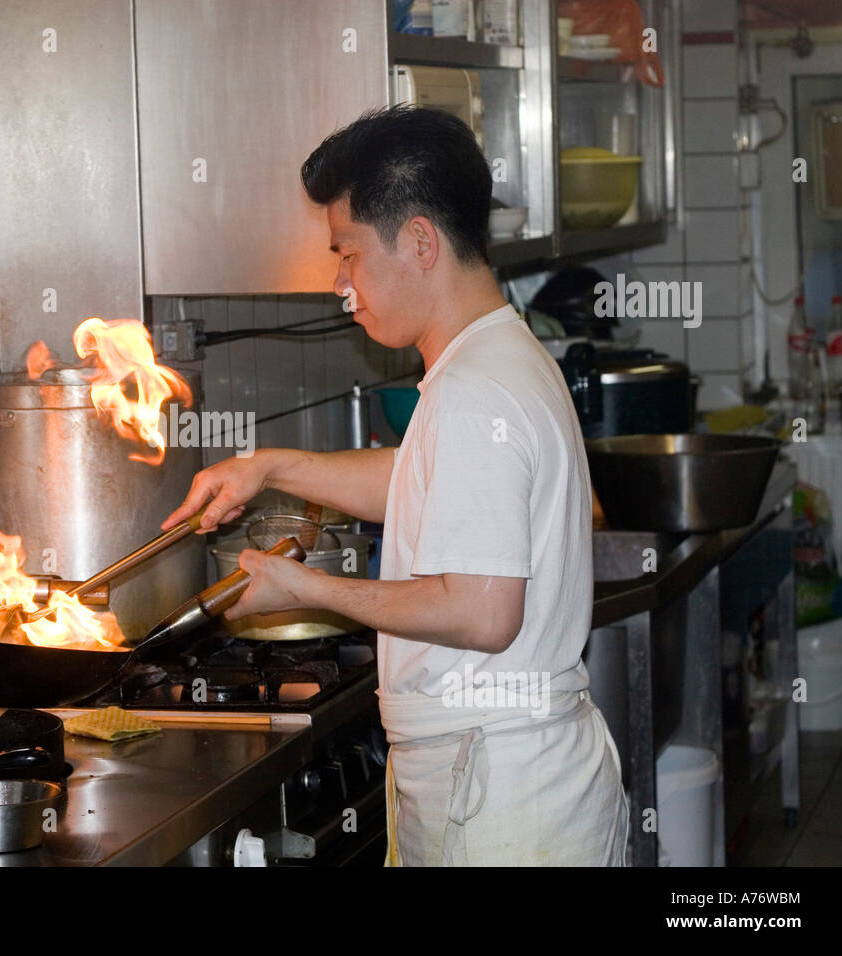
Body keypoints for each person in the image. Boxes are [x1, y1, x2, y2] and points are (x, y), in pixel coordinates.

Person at [161, 106, 628, 866]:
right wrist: (270, 466)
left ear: (418, 241)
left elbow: (483, 612)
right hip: (505, 777)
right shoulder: (500, 354)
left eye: (346, 253)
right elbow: (425, 482)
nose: (341, 284)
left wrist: (306, 587)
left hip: (497, 799)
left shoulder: (474, 390)